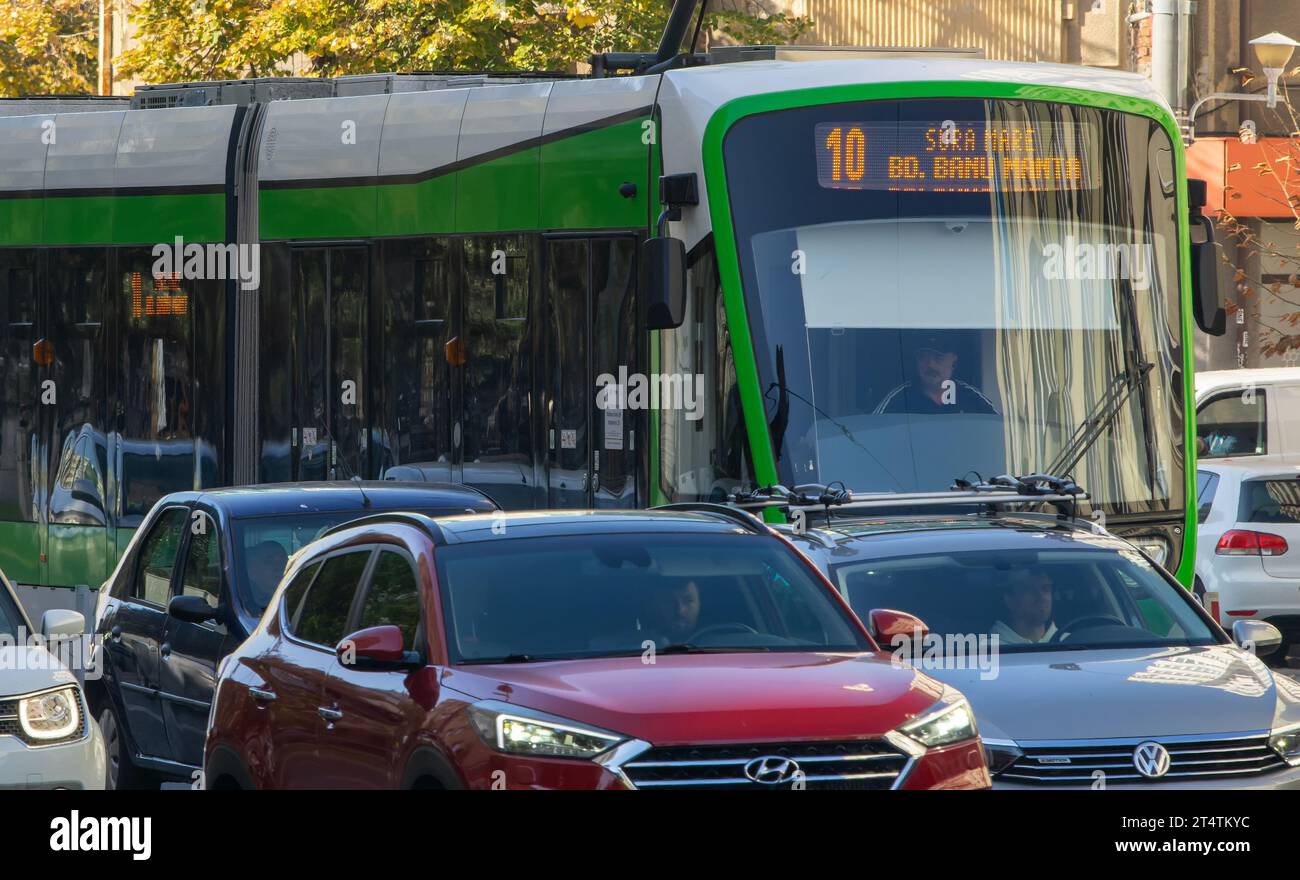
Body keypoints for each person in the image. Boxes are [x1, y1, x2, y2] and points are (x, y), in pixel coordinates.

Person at [873, 335, 998, 415]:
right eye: (923, 357)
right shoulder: (898, 399)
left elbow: (1000, 433)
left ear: (953, 360)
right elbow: (874, 438)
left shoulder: (971, 397)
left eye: (939, 357)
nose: (930, 364)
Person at [991, 570, 1057, 645]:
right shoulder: (991, 650)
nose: (1041, 596)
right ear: (1009, 600)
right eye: (1029, 589)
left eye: (1045, 588)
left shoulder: (1068, 641)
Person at [642, 579, 702, 646]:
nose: (680, 610)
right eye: (670, 601)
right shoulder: (637, 647)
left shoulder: (714, 642)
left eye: (688, 601)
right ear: (655, 607)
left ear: (699, 604)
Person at [245, 540, 289, 609]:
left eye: (283, 560)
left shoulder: (298, 595)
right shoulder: (245, 605)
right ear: (251, 570)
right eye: (269, 561)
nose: (279, 567)